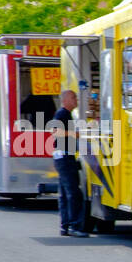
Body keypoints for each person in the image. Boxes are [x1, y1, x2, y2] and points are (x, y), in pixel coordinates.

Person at [50, 90, 88, 237]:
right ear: (65, 100)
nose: (76, 100)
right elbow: (55, 131)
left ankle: (65, 226)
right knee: (74, 193)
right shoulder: (62, 114)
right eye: (73, 97)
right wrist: (73, 134)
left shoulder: (67, 115)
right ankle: (74, 226)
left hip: (63, 157)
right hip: (64, 157)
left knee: (65, 193)